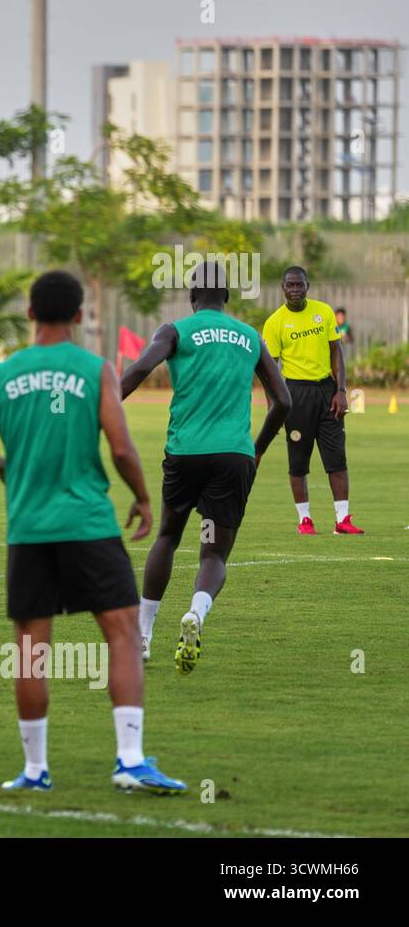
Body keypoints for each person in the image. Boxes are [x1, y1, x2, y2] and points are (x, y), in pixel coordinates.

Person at [0, 270, 185, 794]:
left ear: (30, 313)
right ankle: (129, 759)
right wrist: (145, 498)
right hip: (88, 524)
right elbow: (122, 447)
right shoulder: (95, 370)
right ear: (80, 316)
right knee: (123, 635)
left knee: (32, 648)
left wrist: (1, 464)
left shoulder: (2, 375)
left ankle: (35, 770)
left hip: (29, 529)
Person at [120, 262, 291, 673]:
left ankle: (142, 636)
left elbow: (142, 367)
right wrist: (258, 449)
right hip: (233, 456)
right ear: (227, 297)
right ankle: (196, 612)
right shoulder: (250, 336)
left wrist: (103, 407)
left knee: (168, 535)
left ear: (192, 297)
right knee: (214, 552)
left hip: (185, 453)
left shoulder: (175, 330)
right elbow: (283, 401)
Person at [261, 267, 363, 535]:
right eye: (290, 286)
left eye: (300, 285)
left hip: (327, 392)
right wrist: (274, 406)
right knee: (298, 460)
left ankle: (343, 520)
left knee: (336, 456)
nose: (295, 290)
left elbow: (336, 351)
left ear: (308, 286)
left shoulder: (324, 312)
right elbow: (269, 368)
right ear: (282, 288)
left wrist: (341, 389)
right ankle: (304, 520)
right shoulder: (275, 322)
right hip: (295, 395)